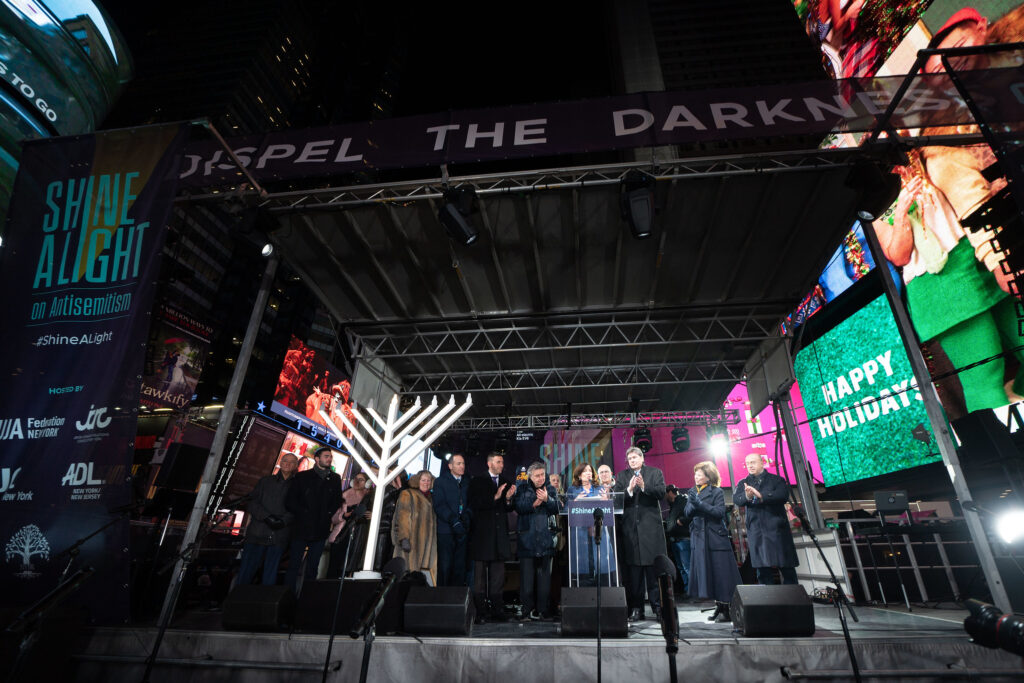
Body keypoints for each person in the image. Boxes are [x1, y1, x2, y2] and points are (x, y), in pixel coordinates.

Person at [614, 446, 667, 622]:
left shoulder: (655, 473)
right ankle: (637, 609)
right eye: (630, 459)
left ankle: (658, 608)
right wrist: (629, 490)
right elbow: (616, 500)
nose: (633, 461)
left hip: (650, 531)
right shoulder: (622, 476)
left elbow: (661, 493)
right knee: (634, 575)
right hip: (631, 532)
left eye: (635, 457)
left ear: (642, 458)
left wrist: (644, 486)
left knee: (653, 573)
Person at [686, 460, 742, 623]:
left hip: (714, 537)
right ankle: (719, 605)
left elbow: (719, 512)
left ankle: (726, 607)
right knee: (709, 573)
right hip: (699, 538)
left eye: (699, 474)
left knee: (721, 572)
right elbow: (687, 513)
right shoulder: (693, 491)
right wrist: (693, 503)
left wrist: (699, 504)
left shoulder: (717, 492)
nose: (696, 477)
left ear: (708, 477)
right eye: (695, 474)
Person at [733, 454, 800, 585]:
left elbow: (782, 495)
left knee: (786, 567)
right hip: (757, 530)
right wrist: (747, 496)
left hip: (777, 529)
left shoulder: (777, 480)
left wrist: (761, 495)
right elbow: (737, 499)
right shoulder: (743, 483)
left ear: (762, 463)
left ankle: (794, 595)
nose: (750, 465)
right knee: (762, 569)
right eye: (748, 463)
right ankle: (768, 596)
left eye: (753, 462)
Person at [284, 447, 343, 593]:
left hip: (320, 529)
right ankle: (288, 596)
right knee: (293, 565)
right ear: (317, 459)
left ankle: (307, 597)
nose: (329, 459)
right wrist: (303, 513)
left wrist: (327, 514)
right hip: (301, 528)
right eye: (326, 456)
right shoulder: (302, 477)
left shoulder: (335, 479)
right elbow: (290, 500)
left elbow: (337, 500)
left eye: (330, 456)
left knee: (312, 567)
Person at [236, 453, 298, 586]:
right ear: (280, 462)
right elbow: (252, 502)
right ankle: (238, 596)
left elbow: (298, 508)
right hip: (257, 532)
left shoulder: (297, 486)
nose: (287, 464)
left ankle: (263, 600)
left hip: (279, 534)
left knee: (270, 575)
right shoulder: (265, 481)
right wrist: (266, 517)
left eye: (292, 462)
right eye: (285, 460)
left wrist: (284, 521)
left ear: (296, 466)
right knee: (246, 571)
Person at [468, 452, 517, 622]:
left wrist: (508, 499)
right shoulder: (477, 481)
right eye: (498, 462)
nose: (502, 465)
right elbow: (474, 503)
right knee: (479, 578)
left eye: (502, 462)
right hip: (482, 537)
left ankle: (497, 610)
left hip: (499, 537)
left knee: (498, 577)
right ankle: (480, 612)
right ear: (489, 463)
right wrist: (494, 497)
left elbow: (509, 508)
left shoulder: (506, 482)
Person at [515, 462, 559, 620]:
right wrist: (534, 503)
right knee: (526, 582)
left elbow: (557, 508)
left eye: (542, 475)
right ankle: (527, 610)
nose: (540, 478)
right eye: (537, 476)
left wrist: (547, 499)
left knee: (544, 582)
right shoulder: (522, 488)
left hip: (545, 541)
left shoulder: (550, 489)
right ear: (530, 476)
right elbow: (518, 507)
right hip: (527, 541)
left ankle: (543, 611)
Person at [566, 462, 614, 586]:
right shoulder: (572, 489)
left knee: (600, 562)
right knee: (583, 563)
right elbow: (566, 509)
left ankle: (603, 586)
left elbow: (608, 508)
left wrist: (606, 501)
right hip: (580, 532)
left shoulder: (599, 488)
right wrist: (576, 501)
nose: (588, 473)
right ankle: (583, 587)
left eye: (589, 471)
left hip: (598, 530)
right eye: (584, 471)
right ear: (579, 475)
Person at [392, 470, 437, 585]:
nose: (426, 483)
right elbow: (402, 516)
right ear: (417, 481)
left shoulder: (432, 498)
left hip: (427, 544)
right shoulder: (408, 494)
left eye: (428, 480)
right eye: (423, 480)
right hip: (411, 542)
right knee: (407, 575)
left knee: (422, 577)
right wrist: (404, 538)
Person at [432, 453, 472, 586]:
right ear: (450, 466)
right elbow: (439, 505)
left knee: (460, 567)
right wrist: (453, 520)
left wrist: (466, 517)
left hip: (463, 531)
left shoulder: (467, 481)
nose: (462, 466)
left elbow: (471, 503)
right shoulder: (440, 481)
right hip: (446, 531)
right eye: (458, 463)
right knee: (445, 566)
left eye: (463, 463)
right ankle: (442, 596)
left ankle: (457, 596)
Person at [664, 485, 691, 598]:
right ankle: (687, 590)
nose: (665, 496)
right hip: (675, 540)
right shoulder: (673, 505)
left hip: (683, 539)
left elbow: (690, 514)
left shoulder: (683, 500)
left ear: (670, 492)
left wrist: (681, 521)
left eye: (666, 493)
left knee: (687, 566)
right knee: (681, 567)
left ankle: (692, 590)